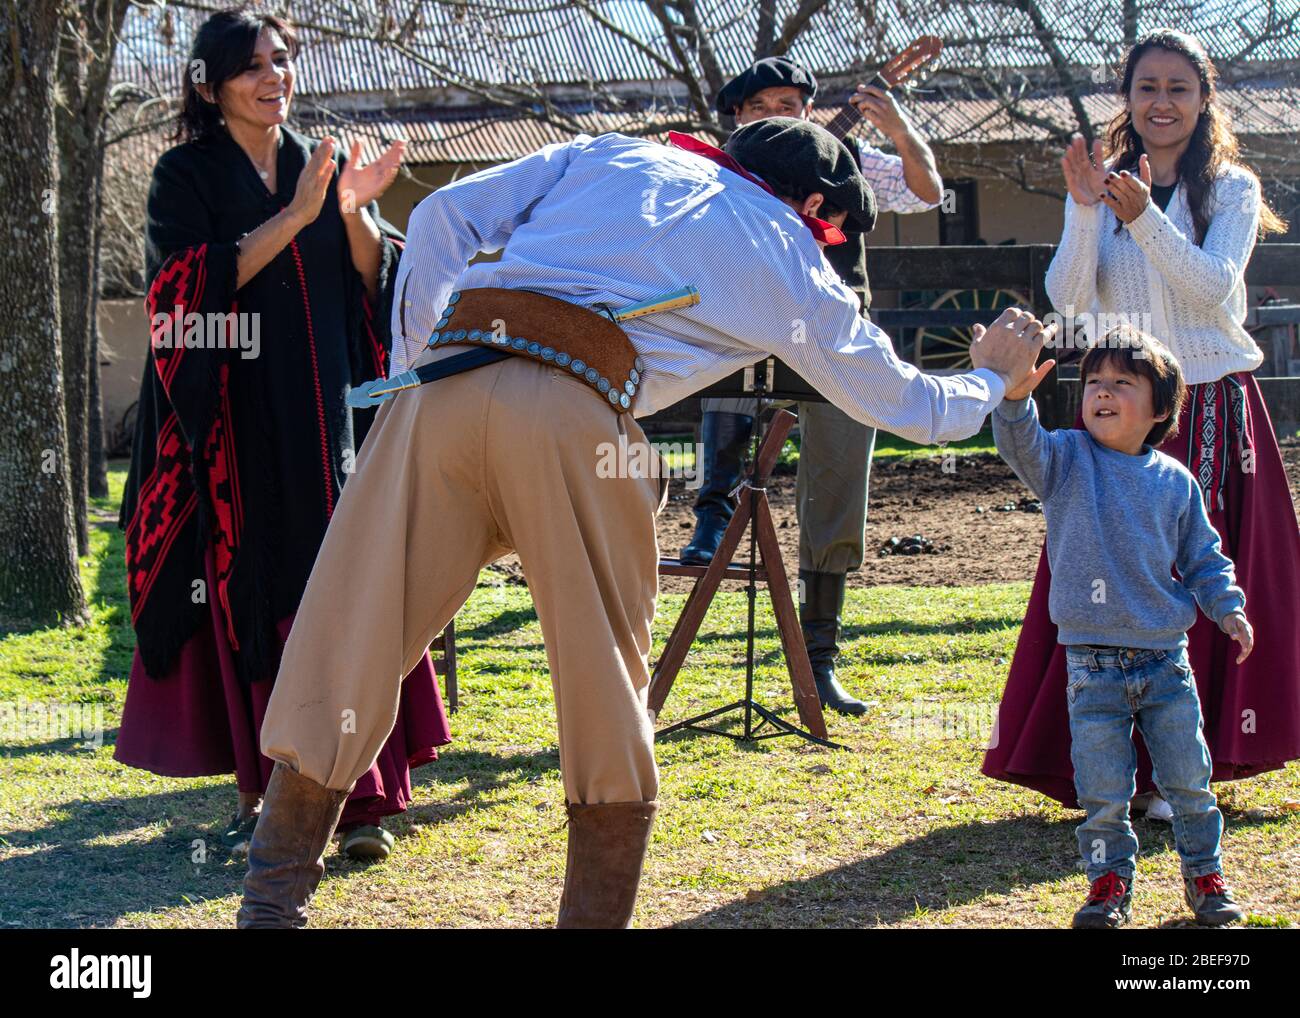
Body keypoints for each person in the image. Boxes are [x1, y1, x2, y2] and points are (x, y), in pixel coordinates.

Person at [236, 116, 1054, 928]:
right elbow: (911, 405)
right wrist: (990, 380)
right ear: (811, 203)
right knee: (602, 683)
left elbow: (441, 219)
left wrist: (421, 366)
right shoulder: (788, 252)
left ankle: (270, 907)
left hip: (439, 391)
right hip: (573, 416)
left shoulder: (615, 152)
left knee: (353, 636)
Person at [114, 8, 450, 862]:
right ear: (212, 82)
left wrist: (354, 218)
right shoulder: (183, 176)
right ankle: (271, 793)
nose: (275, 78)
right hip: (234, 434)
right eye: (254, 66)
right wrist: (298, 217)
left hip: (328, 421)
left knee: (346, 591)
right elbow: (181, 297)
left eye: (282, 61)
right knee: (262, 596)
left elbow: (372, 290)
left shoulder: (317, 165)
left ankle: (362, 801)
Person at [982, 28, 1300, 814]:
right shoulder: (1099, 181)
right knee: (1118, 577)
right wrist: (1091, 210)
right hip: (1125, 410)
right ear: (1128, 96)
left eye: (1178, 88)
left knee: (1196, 579)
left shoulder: (1230, 189)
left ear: (1204, 99)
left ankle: (1186, 765)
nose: (1162, 102)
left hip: (1213, 407)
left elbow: (1213, 290)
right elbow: (1069, 298)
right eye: (1147, 87)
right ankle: (1121, 769)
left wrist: (1147, 217)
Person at [683, 57, 945, 716]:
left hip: (833, 330)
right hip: (750, 326)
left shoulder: (844, 157)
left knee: (838, 475)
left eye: (792, 102)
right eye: (766, 104)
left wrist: (903, 130)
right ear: (739, 115)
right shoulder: (714, 169)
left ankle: (820, 657)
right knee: (724, 369)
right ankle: (712, 513)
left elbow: (928, 194)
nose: (782, 112)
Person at [993, 328, 1251, 928]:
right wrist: (1012, 400)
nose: (1102, 393)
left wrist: (1228, 607)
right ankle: (1108, 883)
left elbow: (1204, 559)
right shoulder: (1064, 459)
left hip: (1166, 662)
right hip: (1091, 668)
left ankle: (1205, 877)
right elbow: (1021, 444)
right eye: (1093, 383)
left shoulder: (1174, 482)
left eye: (1121, 383)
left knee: (1189, 781)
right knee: (1103, 791)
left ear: (1160, 409)